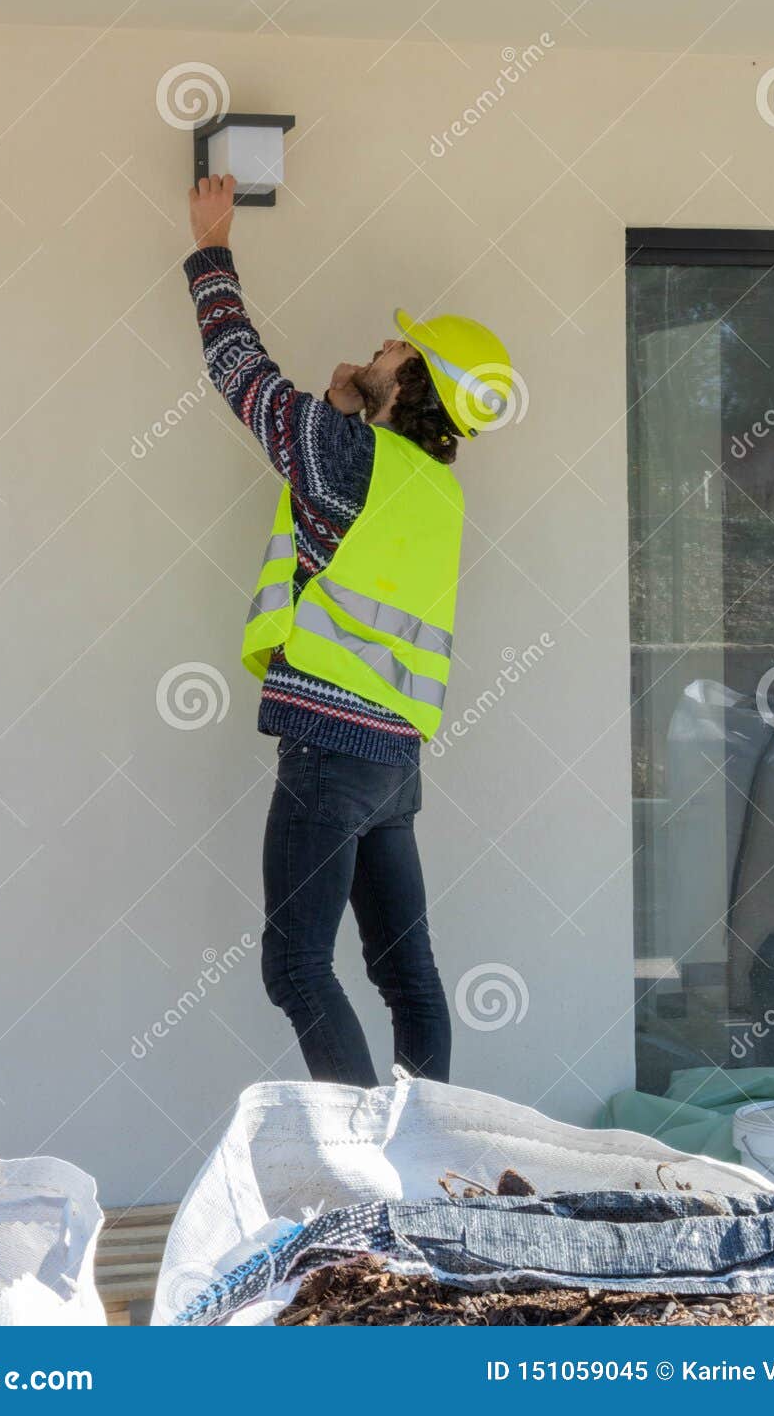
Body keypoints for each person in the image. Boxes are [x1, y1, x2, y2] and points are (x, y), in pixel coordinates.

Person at [184, 172, 513, 1087]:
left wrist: (212, 245)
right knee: (407, 979)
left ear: (411, 381)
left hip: (330, 753)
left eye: (396, 345)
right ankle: (422, 1176)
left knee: (294, 966)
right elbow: (340, 518)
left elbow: (238, 372)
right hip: (392, 764)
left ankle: (366, 1166)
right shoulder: (430, 489)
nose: (381, 341)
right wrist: (337, 411)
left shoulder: (350, 458)